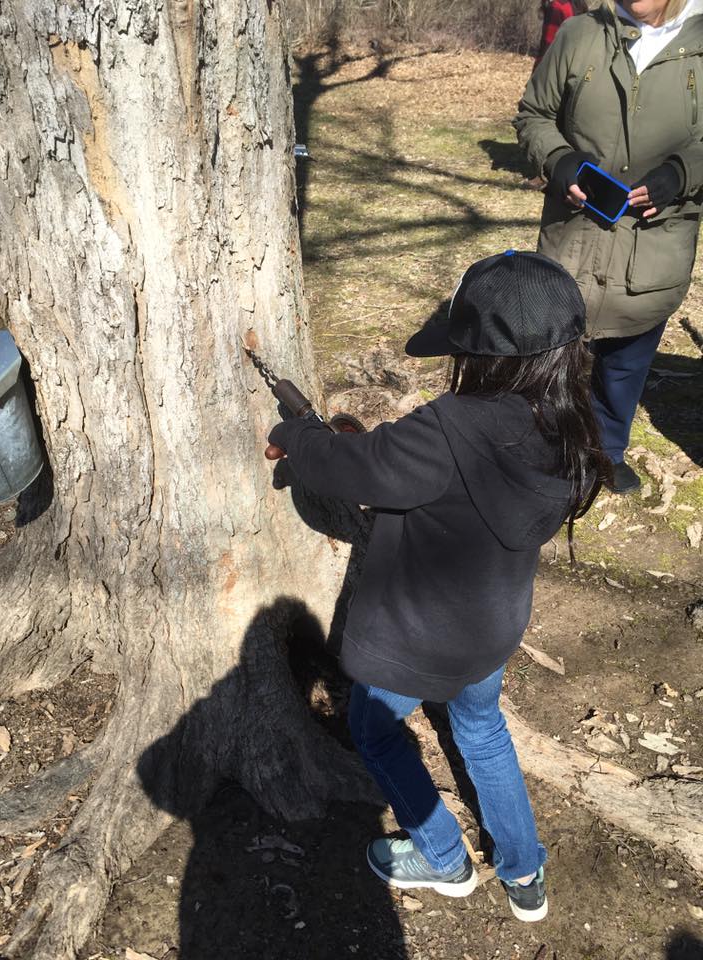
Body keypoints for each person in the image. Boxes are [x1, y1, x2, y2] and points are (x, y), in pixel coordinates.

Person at [265, 251, 610, 923]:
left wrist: (296, 436)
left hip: (413, 641)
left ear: (482, 356)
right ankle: (525, 871)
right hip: (493, 630)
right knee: (482, 728)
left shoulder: (449, 429)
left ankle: (444, 859)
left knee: (373, 728)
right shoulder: (569, 424)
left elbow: (352, 469)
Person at [515, 0, 703, 494]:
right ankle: (547, 445)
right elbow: (534, 115)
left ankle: (606, 449)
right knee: (551, 357)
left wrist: (682, 173)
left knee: (626, 361)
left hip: (652, 252)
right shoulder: (580, 33)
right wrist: (558, 160)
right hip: (572, 242)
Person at [534, 1, 589, 71]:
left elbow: (547, 49)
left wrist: (537, 72)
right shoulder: (578, 6)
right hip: (574, 67)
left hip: (554, 69)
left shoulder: (557, 7)